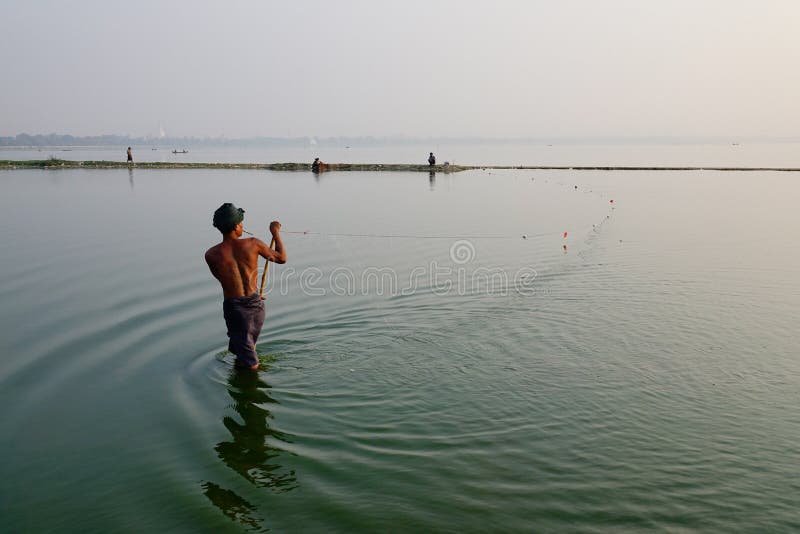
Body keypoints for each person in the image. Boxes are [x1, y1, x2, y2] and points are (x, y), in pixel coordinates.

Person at [205, 203, 287, 370]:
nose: (242, 226)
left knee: (248, 358)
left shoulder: (211, 254)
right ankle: (246, 369)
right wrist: (275, 232)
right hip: (256, 305)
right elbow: (281, 258)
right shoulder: (253, 243)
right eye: (241, 223)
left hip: (235, 310)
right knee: (245, 347)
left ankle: (252, 386)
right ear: (236, 226)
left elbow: (223, 280)